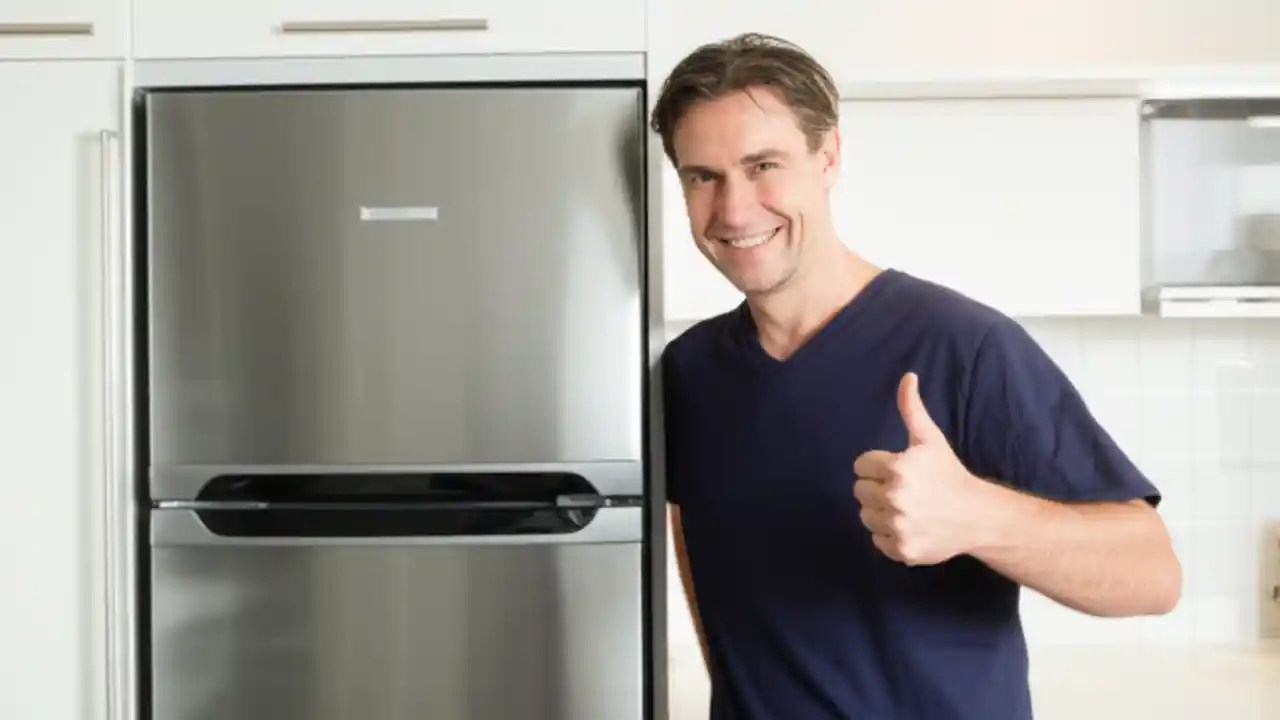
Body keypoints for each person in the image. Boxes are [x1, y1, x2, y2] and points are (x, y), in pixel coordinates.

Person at [652, 32, 1182, 719]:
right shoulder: (690, 372)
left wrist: (979, 517)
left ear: (828, 156)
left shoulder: (966, 346)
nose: (733, 210)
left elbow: (1152, 575)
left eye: (764, 165)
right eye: (703, 177)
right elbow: (699, 552)